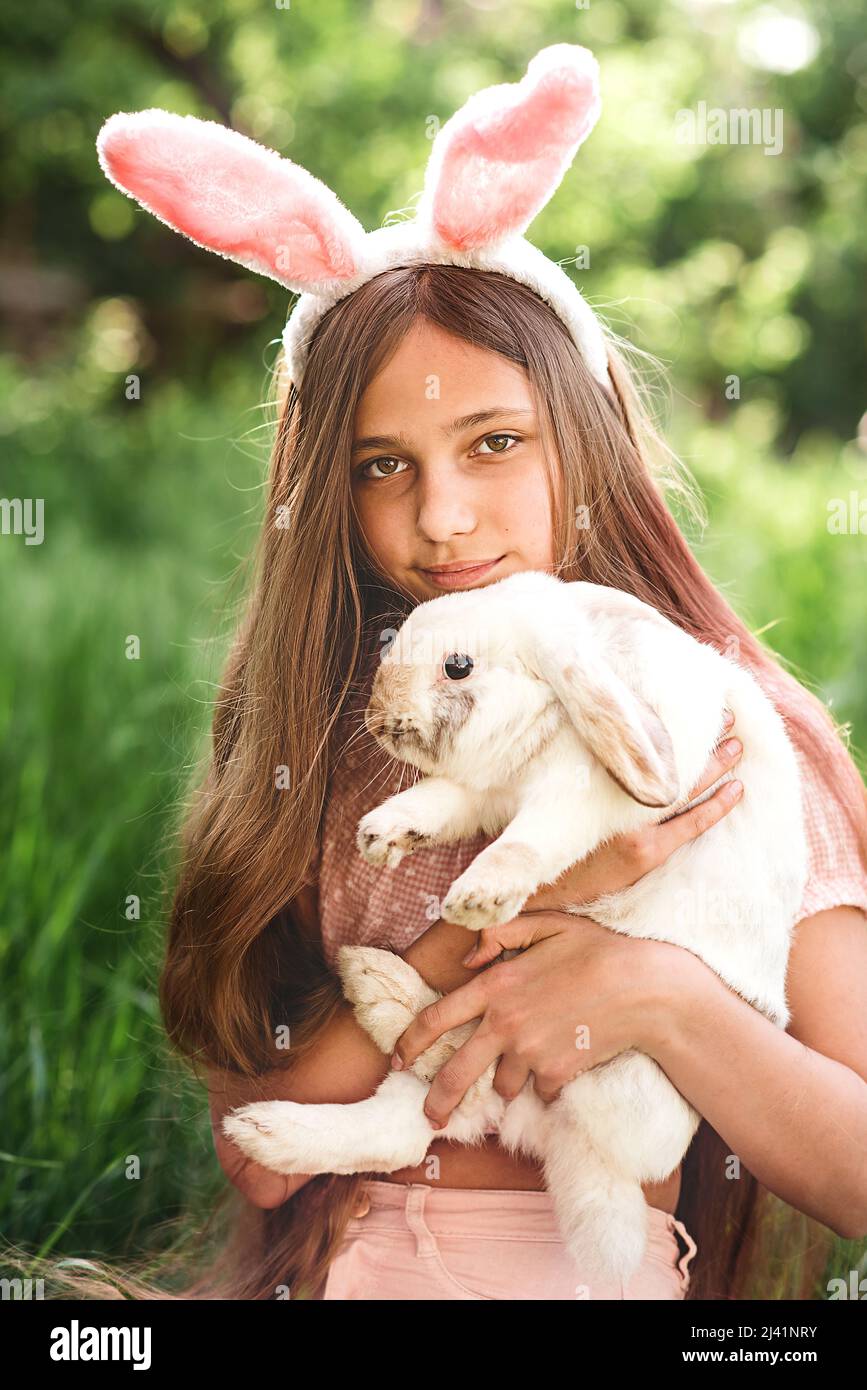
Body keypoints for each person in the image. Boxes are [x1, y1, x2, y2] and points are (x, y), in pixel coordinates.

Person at [23, 43, 867, 1301]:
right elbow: (255, 1159)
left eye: (496, 443)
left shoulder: (723, 734)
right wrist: (462, 943)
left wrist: (655, 993)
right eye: (383, 466)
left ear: (582, 443)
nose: (444, 519)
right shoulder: (347, 741)